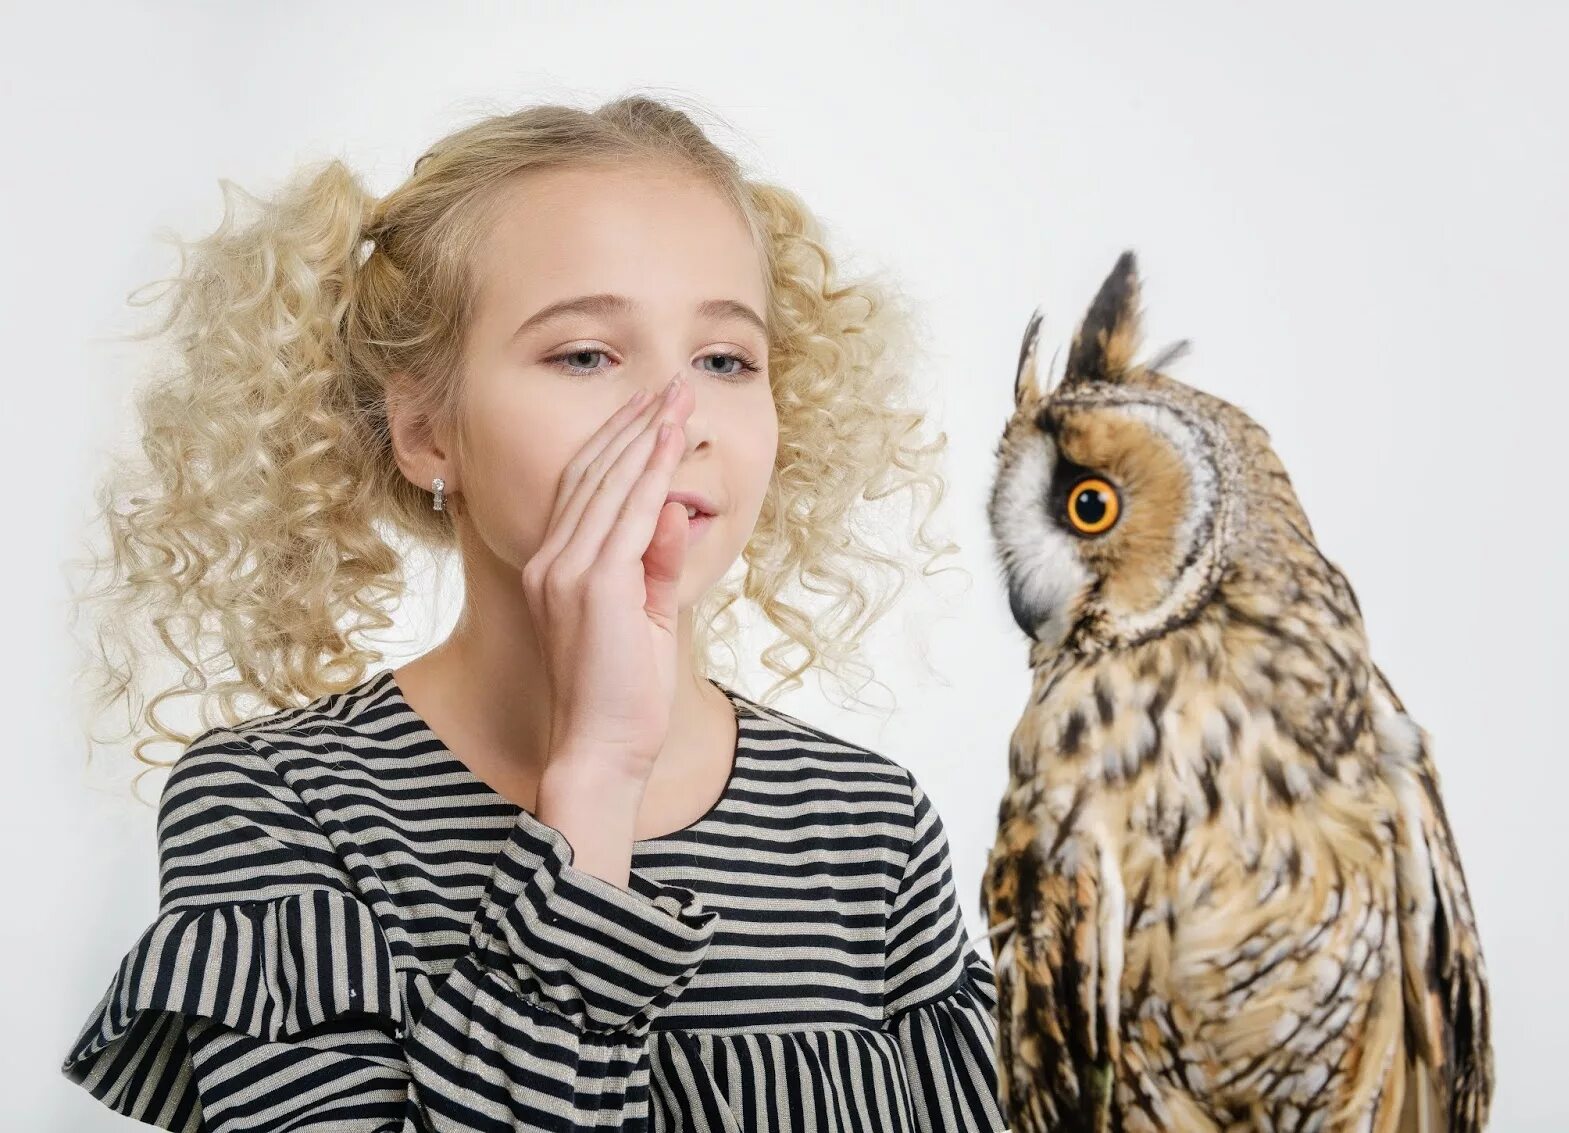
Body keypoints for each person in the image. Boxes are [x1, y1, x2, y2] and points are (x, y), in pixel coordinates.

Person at [60, 92, 1005, 1132]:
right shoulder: (277, 803)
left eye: (725, 360)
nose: (678, 421)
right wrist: (595, 774)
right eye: (586, 354)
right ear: (426, 430)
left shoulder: (869, 827)